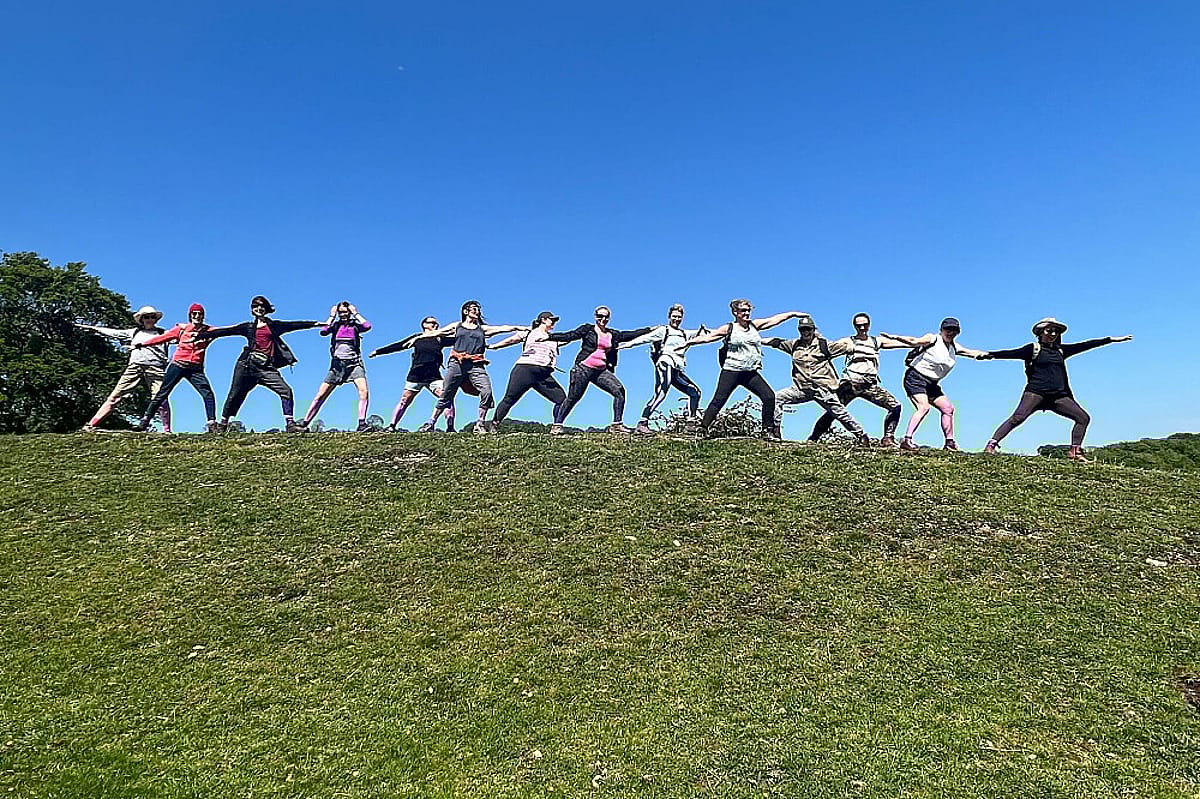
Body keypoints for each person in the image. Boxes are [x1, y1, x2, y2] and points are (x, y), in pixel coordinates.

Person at [979, 317, 1132, 462]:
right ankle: (991, 445)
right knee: (1018, 418)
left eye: (1056, 332)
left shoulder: (1061, 350)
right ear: (1040, 333)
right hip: (1036, 393)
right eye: (1049, 331)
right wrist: (990, 355)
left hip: (1058, 396)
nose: (1053, 334)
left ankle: (1075, 451)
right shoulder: (1033, 349)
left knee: (1083, 418)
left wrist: (1111, 339)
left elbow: (1086, 345)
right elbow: (1011, 353)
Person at [681, 300, 806, 440]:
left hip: (750, 372)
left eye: (748, 310)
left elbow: (774, 320)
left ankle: (767, 431)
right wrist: (688, 343)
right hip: (731, 371)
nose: (746, 313)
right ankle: (702, 429)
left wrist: (793, 314)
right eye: (743, 311)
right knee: (719, 400)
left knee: (769, 397)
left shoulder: (754, 326)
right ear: (735, 313)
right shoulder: (729, 328)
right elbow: (709, 338)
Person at [194, 296, 322, 432]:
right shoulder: (248, 327)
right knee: (235, 394)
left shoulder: (274, 326)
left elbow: (295, 325)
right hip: (246, 366)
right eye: (255, 306)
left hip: (266, 367)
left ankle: (290, 424)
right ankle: (223, 424)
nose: (259, 309)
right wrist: (199, 336)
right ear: (252, 309)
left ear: (266, 309)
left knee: (286, 391)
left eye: (261, 306)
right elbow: (226, 331)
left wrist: (317, 324)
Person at [416, 300, 526, 434]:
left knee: (487, 391)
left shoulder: (482, 329)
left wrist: (521, 328)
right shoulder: (457, 326)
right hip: (457, 363)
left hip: (476, 364)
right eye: (472, 309)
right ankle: (431, 423)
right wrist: (416, 339)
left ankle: (480, 423)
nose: (476, 311)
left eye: (477, 309)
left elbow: (503, 327)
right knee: (446, 393)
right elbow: (436, 332)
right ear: (465, 311)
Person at [880, 317, 986, 451]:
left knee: (948, 409)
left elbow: (972, 353)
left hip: (932, 383)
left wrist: (989, 355)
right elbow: (914, 341)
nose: (950, 332)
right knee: (923, 407)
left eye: (954, 330)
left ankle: (949, 443)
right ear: (941, 330)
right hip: (915, 377)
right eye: (948, 329)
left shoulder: (954, 347)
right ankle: (907, 440)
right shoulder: (933, 339)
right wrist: (895, 337)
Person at [763, 314, 870, 444]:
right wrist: (756, 340)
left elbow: (849, 347)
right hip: (801, 389)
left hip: (823, 389)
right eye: (803, 329)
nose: (806, 332)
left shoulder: (824, 345)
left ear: (813, 330)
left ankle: (862, 436)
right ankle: (775, 432)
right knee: (776, 398)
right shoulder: (794, 345)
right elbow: (776, 342)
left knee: (839, 412)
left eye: (808, 329)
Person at [547, 306, 654, 434]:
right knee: (573, 397)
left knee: (619, 391)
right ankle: (557, 425)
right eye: (600, 316)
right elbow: (569, 335)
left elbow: (629, 334)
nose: (603, 319)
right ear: (595, 316)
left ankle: (617, 425)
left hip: (601, 371)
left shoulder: (612, 334)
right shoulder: (587, 329)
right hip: (583, 368)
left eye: (606, 317)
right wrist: (549, 337)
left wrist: (649, 330)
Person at [809, 313, 908, 446]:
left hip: (869, 384)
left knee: (895, 406)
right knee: (834, 411)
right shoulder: (848, 341)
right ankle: (814, 438)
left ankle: (888, 438)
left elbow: (899, 344)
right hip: (850, 383)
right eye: (859, 325)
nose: (862, 328)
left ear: (869, 324)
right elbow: (828, 348)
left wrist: (920, 344)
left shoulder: (876, 341)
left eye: (865, 325)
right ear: (854, 326)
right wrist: (816, 334)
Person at [77, 306, 172, 432]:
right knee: (116, 396)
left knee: (161, 399)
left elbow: (183, 337)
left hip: (156, 368)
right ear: (142, 319)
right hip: (134, 367)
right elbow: (113, 332)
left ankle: (167, 430)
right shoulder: (134, 332)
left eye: (152, 317)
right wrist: (93, 329)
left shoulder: (164, 333)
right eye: (146, 317)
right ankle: (92, 424)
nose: (149, 319)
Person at [619, 304, 707, 435]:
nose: (676, 319)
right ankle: (642, 423)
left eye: (679, 317)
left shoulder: (685, 333)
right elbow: (645, 338)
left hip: (677, 368)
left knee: (695, 392)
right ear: (669, 317)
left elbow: (705, 334)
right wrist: (628, 345)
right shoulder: (663, 330)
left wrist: (723, 332)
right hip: (665, 363)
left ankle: (691, 423)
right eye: (674, 316)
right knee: (661, 393)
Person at [133, 303, 220, 432]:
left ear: (203, 316)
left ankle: (212, 424)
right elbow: (161, 338)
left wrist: (245, 329)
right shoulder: (181, 329)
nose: (197, 316)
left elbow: (226, 331)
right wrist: (144, 344)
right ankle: (145, 421)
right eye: (194, 314)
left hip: (195, 369)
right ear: (190, 316)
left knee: (207, 393)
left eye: (200, 314)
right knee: (162, 393)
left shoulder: (208, 331)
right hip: (178, 365)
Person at [369, 315, 458, 432]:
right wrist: (378, 351)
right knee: (404, 401)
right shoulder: (417, 338)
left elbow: (459, 340)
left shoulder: (439, 338)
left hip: (434, 376)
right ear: (424, 325)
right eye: (432, 323)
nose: (436, 325)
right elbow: (399, 345)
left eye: (437, 324)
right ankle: (392, 426)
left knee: (446, 398)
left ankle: (450, 427)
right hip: (416, 375)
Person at [297, 302, 373, 432]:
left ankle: (361, 423)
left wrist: (355, 313)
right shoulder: (336, 326)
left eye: (345, 312)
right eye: (341, 312)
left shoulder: (355, 326)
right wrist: (331, 316)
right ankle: (304, 423)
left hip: (354, 363)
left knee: (364, 391)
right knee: (321, 395)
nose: (343, 315)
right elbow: (323, 331)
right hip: (337, 365)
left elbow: (367, 326)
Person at [487, 311, 569, 427]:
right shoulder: (529, 332)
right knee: (510, 398)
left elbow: (568, 338)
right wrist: (494, 346)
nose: (554, 323)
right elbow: (511, 340)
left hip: (543, 375)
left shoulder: (554, 338)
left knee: (561, 399)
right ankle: (494, 424)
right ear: (543, 320)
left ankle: (557, 425)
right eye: (552, 320)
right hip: (525, 369)